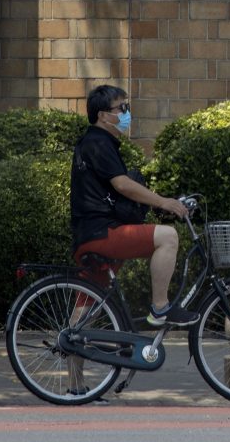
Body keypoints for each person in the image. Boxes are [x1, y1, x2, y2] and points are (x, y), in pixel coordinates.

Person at [70, 84, 195, 327]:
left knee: (85, 308)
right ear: (104, 115)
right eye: (122, 107)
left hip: (88, 234)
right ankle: (160, 308)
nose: (127, 113)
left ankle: (70, 354)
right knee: (168, 237)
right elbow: (123, 185)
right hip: (102, 232)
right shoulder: (99, 142)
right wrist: (163, 202)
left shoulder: (94, 141)